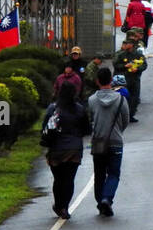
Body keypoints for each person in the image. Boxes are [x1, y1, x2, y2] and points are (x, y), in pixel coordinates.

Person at [43, 76, 89, 219]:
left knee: (58, 179)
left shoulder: (53, 108)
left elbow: (44, 128)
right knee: (69, 179)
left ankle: (58, 205)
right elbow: (87, 129)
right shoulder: (80, 109)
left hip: (56, 149)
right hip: (74, 150)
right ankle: (65, 207)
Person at [86, 66, 129, 216]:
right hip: (116, 141)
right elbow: (126, 119)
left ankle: (100, 201)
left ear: (97, 81)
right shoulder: (121, 99)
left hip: (98, 141)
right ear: (111, 80)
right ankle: (107, 198)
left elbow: (90, 120)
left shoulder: (91, 100)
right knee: (113, 173)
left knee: (99, 173)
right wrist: (118, 132)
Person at [113, 36, 146, 122]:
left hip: (135, 79)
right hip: (125, 79)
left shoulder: (138, 55)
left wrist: (137, 69)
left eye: (127, 43)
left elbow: (144, 65)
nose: (125, 45)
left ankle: (131, 115)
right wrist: (124, 66)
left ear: (131, 45)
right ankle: (123, 115)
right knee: (125, 98)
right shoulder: (121, 55)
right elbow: (116, 65)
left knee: (135, 98)